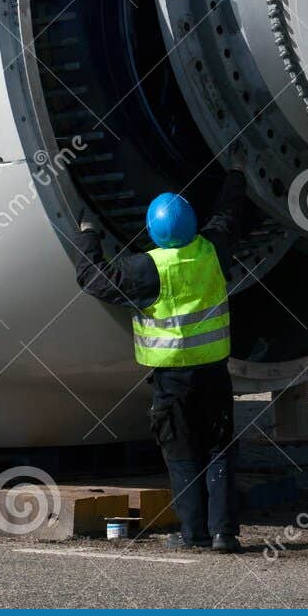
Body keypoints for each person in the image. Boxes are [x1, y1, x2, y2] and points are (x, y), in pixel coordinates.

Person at [73, 171, 246, 552]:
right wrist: (235, 176)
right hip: (215, 374)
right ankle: (225, 534)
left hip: (173, 382)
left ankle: (193, 535)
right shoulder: (212, 250)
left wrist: (89, 233)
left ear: (152, 231)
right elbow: (228, 217)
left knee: (182, 455)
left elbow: (91, 278)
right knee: (219, 452)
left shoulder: (145, 269)